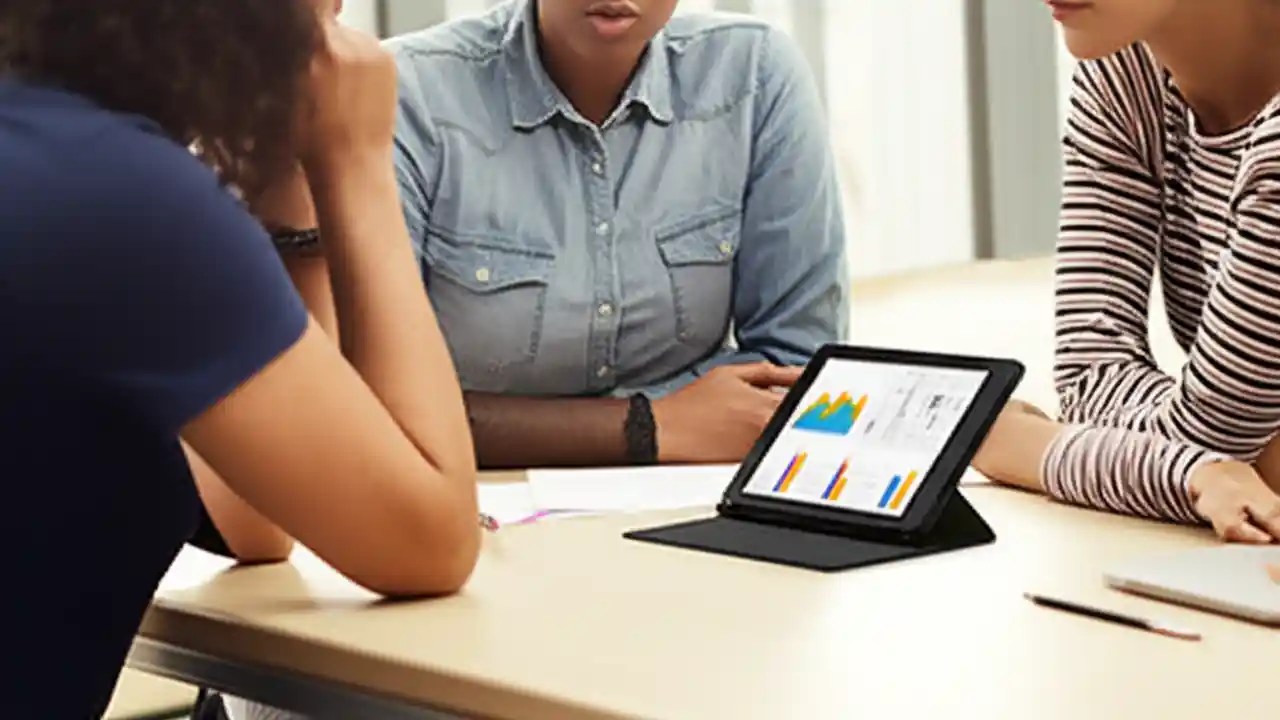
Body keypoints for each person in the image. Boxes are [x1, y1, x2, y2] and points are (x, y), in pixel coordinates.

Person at [0, 1, 482, 716]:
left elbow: (254, 525)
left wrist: (286, 193)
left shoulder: (53, 147)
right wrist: (353, 165)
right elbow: (427, 542)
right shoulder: (115, 190)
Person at [380, 0, 848, 468]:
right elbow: (377, 408)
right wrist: (651, 425)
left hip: (692, 491)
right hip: (474, 505)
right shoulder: (406, 93)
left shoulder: (755, 76)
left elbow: (796, 373)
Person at [972, 0, 1280, 542]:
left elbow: (1215, 439)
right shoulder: (1127, 72)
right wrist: (1197, 468)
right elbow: (1091, 377)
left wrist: (1002, 438)